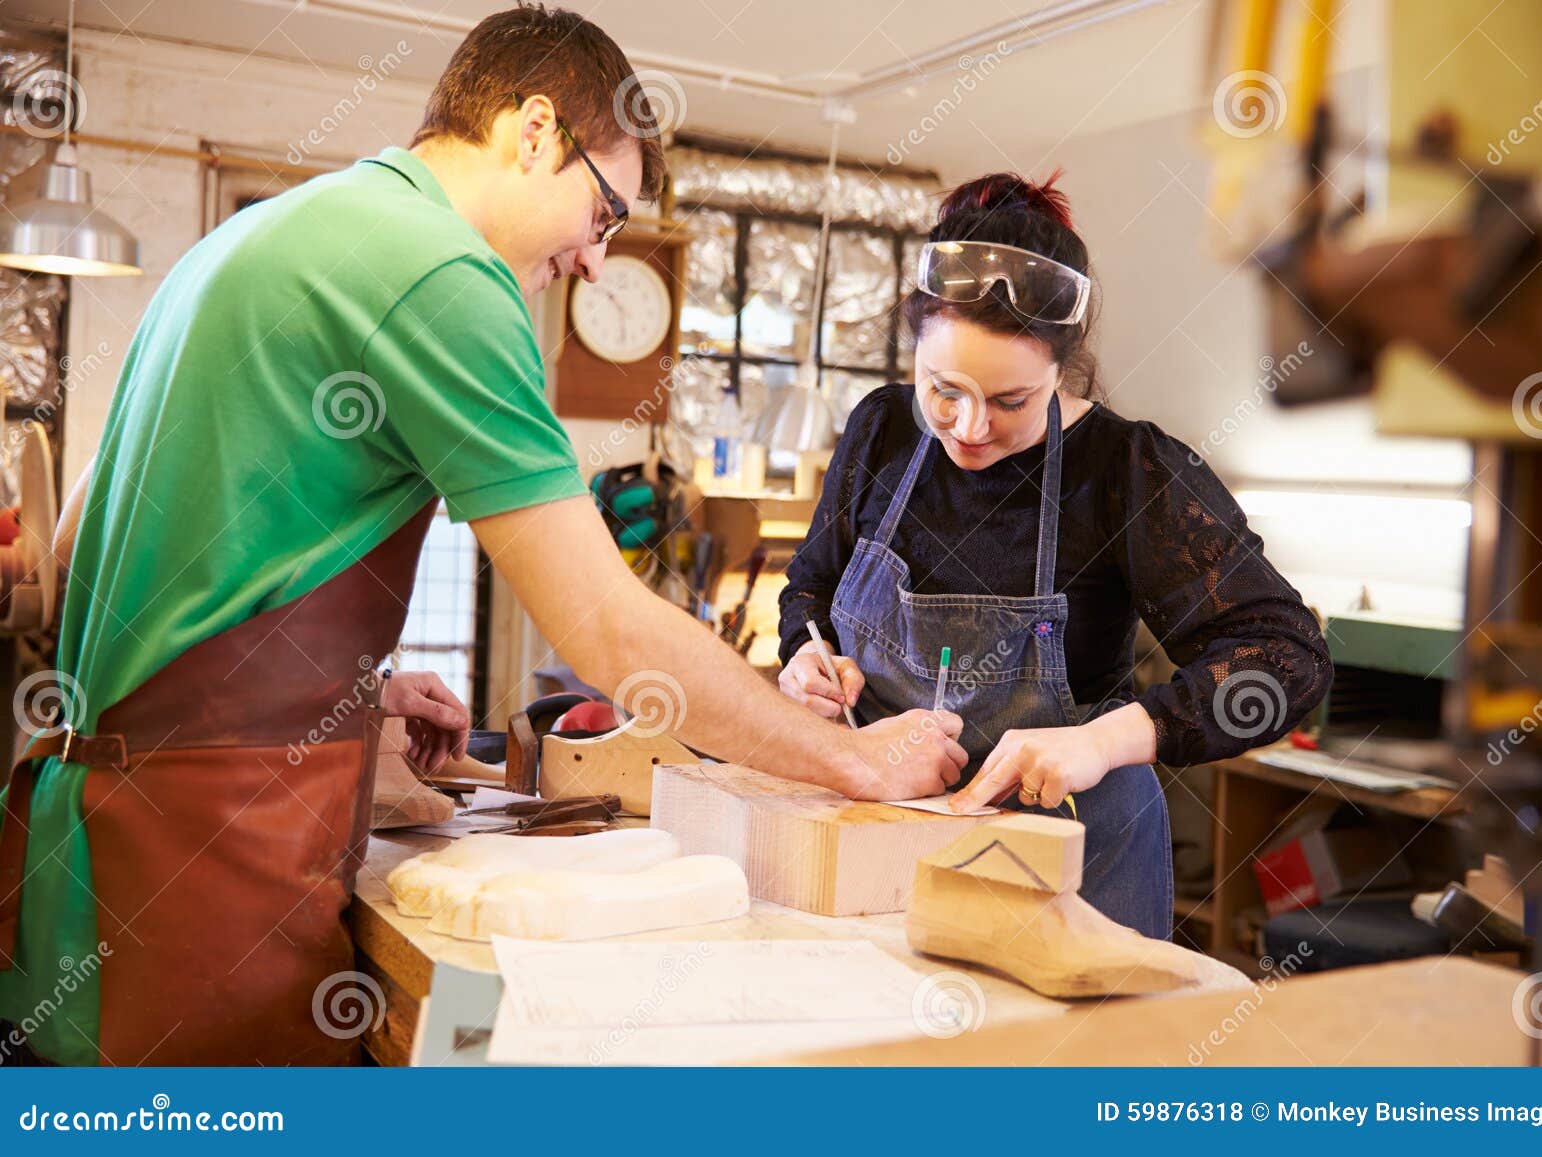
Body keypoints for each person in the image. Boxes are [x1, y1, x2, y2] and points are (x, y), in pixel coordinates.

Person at [0, 3, 963, 1067]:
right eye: (604, 215)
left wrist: (335, 690)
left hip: (83, 869)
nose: (597, 262)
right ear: (535, 131)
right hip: (199, 887)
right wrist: (851, 759)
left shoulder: (257, 235)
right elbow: (607, 626)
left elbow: (84, 551)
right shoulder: (444, 273)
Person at [777, 171, 1332, 939]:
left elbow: (1288, 656)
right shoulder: (880, 431)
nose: (969, 427)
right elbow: (810, 586)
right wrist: (805, 659)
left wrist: (1103, 741)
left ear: (1060, 370)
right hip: (880, 840)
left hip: (1070, 862)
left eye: (1010, 401)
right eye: (943, 389)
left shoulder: (1126, 471)